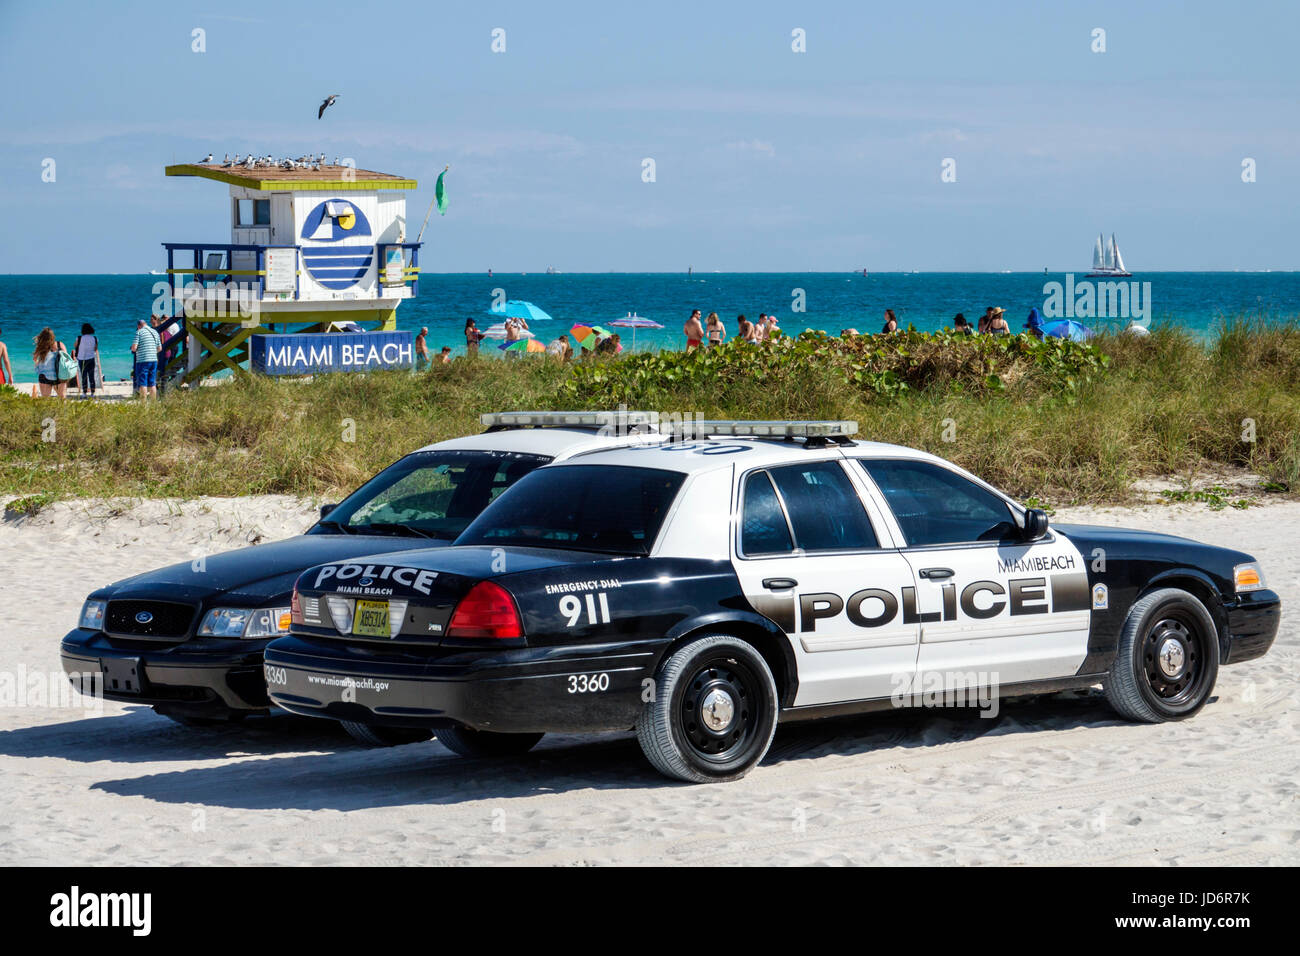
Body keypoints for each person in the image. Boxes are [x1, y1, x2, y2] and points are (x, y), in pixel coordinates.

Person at [32, 327, 71, 398]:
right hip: (59, 375)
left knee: (45, 399)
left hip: (44, 375)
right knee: (62, 398)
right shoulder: (60, 344)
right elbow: (66, 359)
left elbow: (35, 359)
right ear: (53, 336)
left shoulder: (41, 347)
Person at [131, 317, 162, 399]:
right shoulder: (155, 332)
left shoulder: (139, 332)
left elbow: (134, 348)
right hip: (154, 360)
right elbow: (159, 348)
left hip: (143, 360)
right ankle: (153, 403)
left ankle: (143, 404)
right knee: (152, 383)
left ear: (139, 326)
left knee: (143, 382)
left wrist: (133, 348)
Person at [73, 323, 101, 398]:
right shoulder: (95, 338)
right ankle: (92, 393)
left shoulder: (79, 338)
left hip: (82, 359)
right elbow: (95, 349)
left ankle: (84, 393)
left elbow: (75, 345)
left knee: (84, 376)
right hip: (91, 358)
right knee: (91, 376)